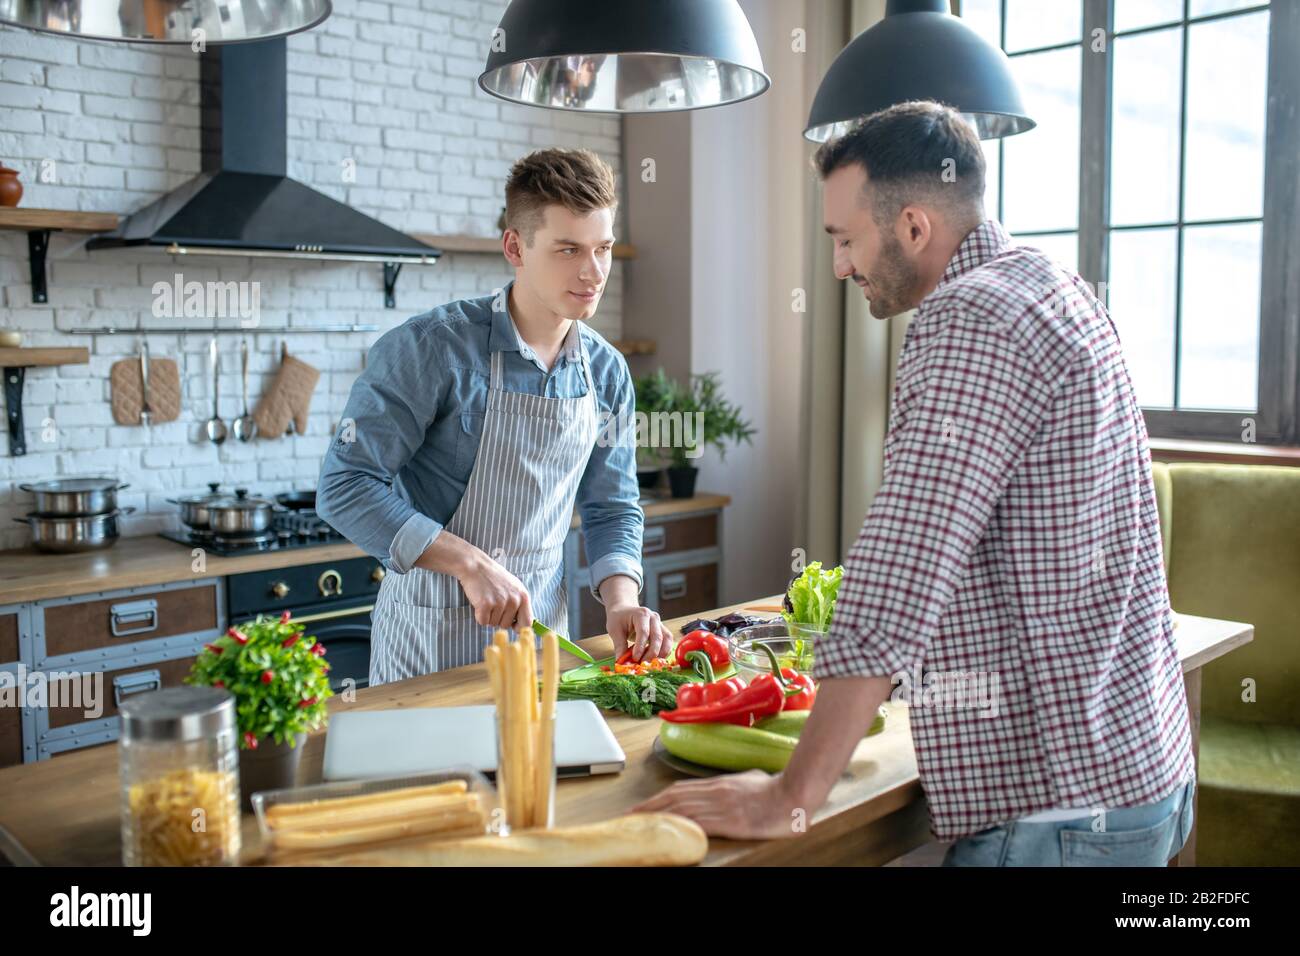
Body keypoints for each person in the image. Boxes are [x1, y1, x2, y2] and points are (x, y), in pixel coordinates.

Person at [636, 101, 1196, 867]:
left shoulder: (967, 320)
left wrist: (790, 797)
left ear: (913, 226)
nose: (838, 266)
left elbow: (899, 573)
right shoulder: (1056, 288)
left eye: (844, 238)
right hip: (1138, 768)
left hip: (1054, 811)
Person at [316, 148, 673, 686]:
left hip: (541, 645)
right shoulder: (430, 348)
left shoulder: (607, 371)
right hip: (428, 647)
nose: (593, 271)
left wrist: (623, 600)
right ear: (515, 247)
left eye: (603, 248)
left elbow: (612, 505)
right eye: (568, 249)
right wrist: (471, 563)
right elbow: (344, 486)